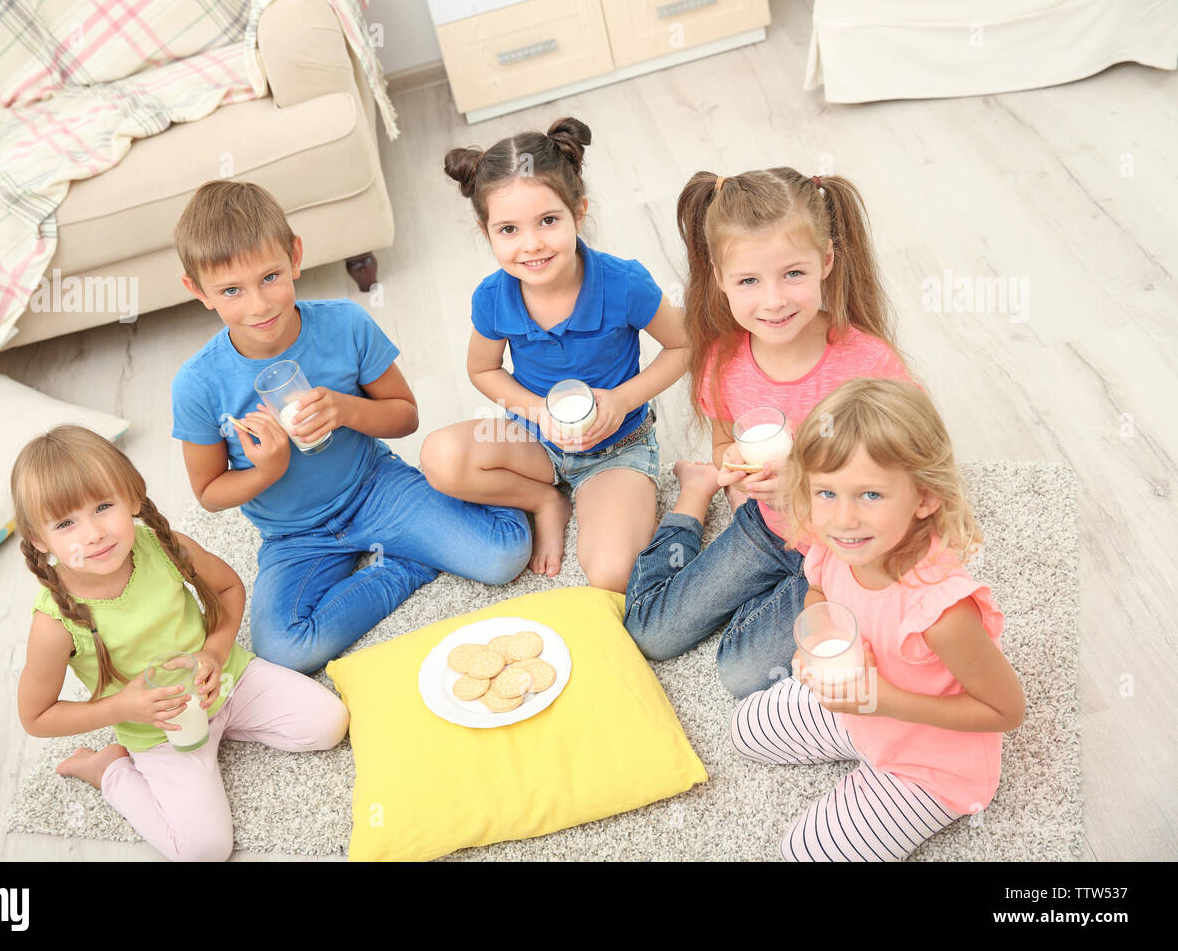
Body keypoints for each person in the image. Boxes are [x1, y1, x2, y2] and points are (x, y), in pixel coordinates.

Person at [171, 180, 531, 673]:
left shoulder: (344, 325)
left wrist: (346, 409)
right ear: (198, 292)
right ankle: (407, 564)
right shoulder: (197, 384)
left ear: (295, 256)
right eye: (231, 290)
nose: (257, 305)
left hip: (373, 488)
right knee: (283, 650)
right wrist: (266, 470)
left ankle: (498, 486)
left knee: (504, 555)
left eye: (271, 276)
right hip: (295, 536)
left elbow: (405, 415)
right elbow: (210, 492)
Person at [625, 168, 913, 696]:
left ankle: (796, 590)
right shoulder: (724, 362)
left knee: (742, 672)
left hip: (846, 544)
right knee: (650, 633)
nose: (774, 300)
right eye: (749, 281)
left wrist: (807, 482)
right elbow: (723, 442)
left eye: (794, 274)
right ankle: (693, 498)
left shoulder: (868, 363)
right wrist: (731, 465)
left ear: (826, 261)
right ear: (718, 277)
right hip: (769, 525)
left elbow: (905, 469)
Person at [12, 425, 349, 862]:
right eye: (65, 523)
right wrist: (123, 708)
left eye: (102, 506)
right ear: (40, 540)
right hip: (157, 732)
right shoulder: (53, 624)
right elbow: (36, 717)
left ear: (133, 498)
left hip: (226, 681)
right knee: (204, 851)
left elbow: (228, 589)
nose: (92, 533)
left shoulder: (167, 549)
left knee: (329, 723)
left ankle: (225, 729)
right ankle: (108, 770)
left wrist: (215, 651)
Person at [732, 379, 1025, 861]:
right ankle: (857, 737)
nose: (843, 518)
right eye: (826, 492)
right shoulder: (836, 546)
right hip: (860, 708)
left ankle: (880, 762)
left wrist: (882, 702)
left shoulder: (942, 612)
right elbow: (819, 590)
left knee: (802, 854)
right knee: (745, 727)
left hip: (927, 761)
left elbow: (1006, 712)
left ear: (925, 497)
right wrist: (819, 635)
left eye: (870, 494)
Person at [420, 117, 688, 592]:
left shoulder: (623, 283)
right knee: (439, 457)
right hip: (537, 442)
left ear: (578, 212)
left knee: (613, 573)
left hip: (615, 446)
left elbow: (682, 345)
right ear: (487, 233)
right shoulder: (493, 296)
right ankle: (546, 501)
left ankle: (653, 496)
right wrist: (537, 413)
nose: (532, 244)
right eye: (508, 229)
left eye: (548, 220)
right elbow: (482, 369)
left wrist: (623, 401)